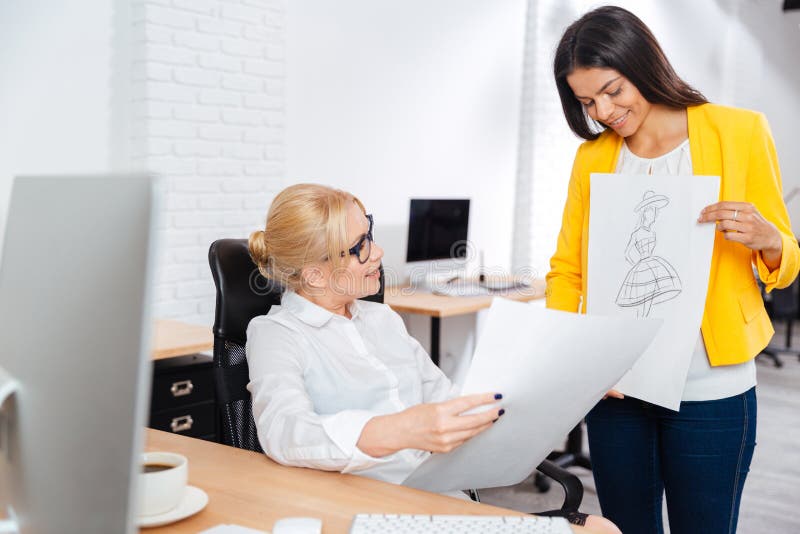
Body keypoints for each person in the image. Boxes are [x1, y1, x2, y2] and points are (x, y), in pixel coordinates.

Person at [547, 6, 800, 534]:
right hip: (616, 389)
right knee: (624, 528)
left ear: (643, 63)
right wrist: (579, 357)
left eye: (613, 91)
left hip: (711, 387)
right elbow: (568, 269)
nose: (605, 111)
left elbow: (784, 260)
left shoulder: (740, 131)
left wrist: (769, 240)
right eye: (588, 101)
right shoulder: (593, 158)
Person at [247, 183, 620, 533]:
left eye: (370, 234)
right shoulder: (276, 335)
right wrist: (402, 429)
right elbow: (284, 432)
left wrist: (568, 385)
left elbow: (450, 402)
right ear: (313, 275)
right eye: (360, 246)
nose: (377, 252)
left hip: (436, 500)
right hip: (365, 510)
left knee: (601, 529)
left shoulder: (382, 320)